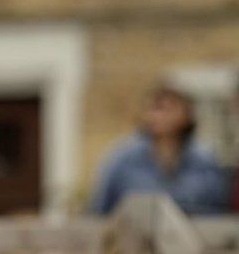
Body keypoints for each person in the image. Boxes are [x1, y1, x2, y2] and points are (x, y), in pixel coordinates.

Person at [89, 84, 229, 215]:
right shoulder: (122, 159)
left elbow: (218, 209)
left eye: (168, 109)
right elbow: (100, 209)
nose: (159, 116)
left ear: (187, 114)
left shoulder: (204, 161)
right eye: (155, 109)